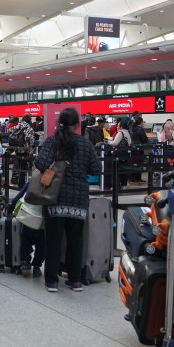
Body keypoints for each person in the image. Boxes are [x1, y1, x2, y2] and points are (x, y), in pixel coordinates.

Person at [34, 108, 99, 292]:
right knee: (75, 241)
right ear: (77, 124)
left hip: (55, 197)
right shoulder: (85, 144)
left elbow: (40, 163)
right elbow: (95, 169)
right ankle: (75, 280)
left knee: (53, 241)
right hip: (78, 199)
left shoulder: (53, 141)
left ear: (58, 123)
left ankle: (52, 281)